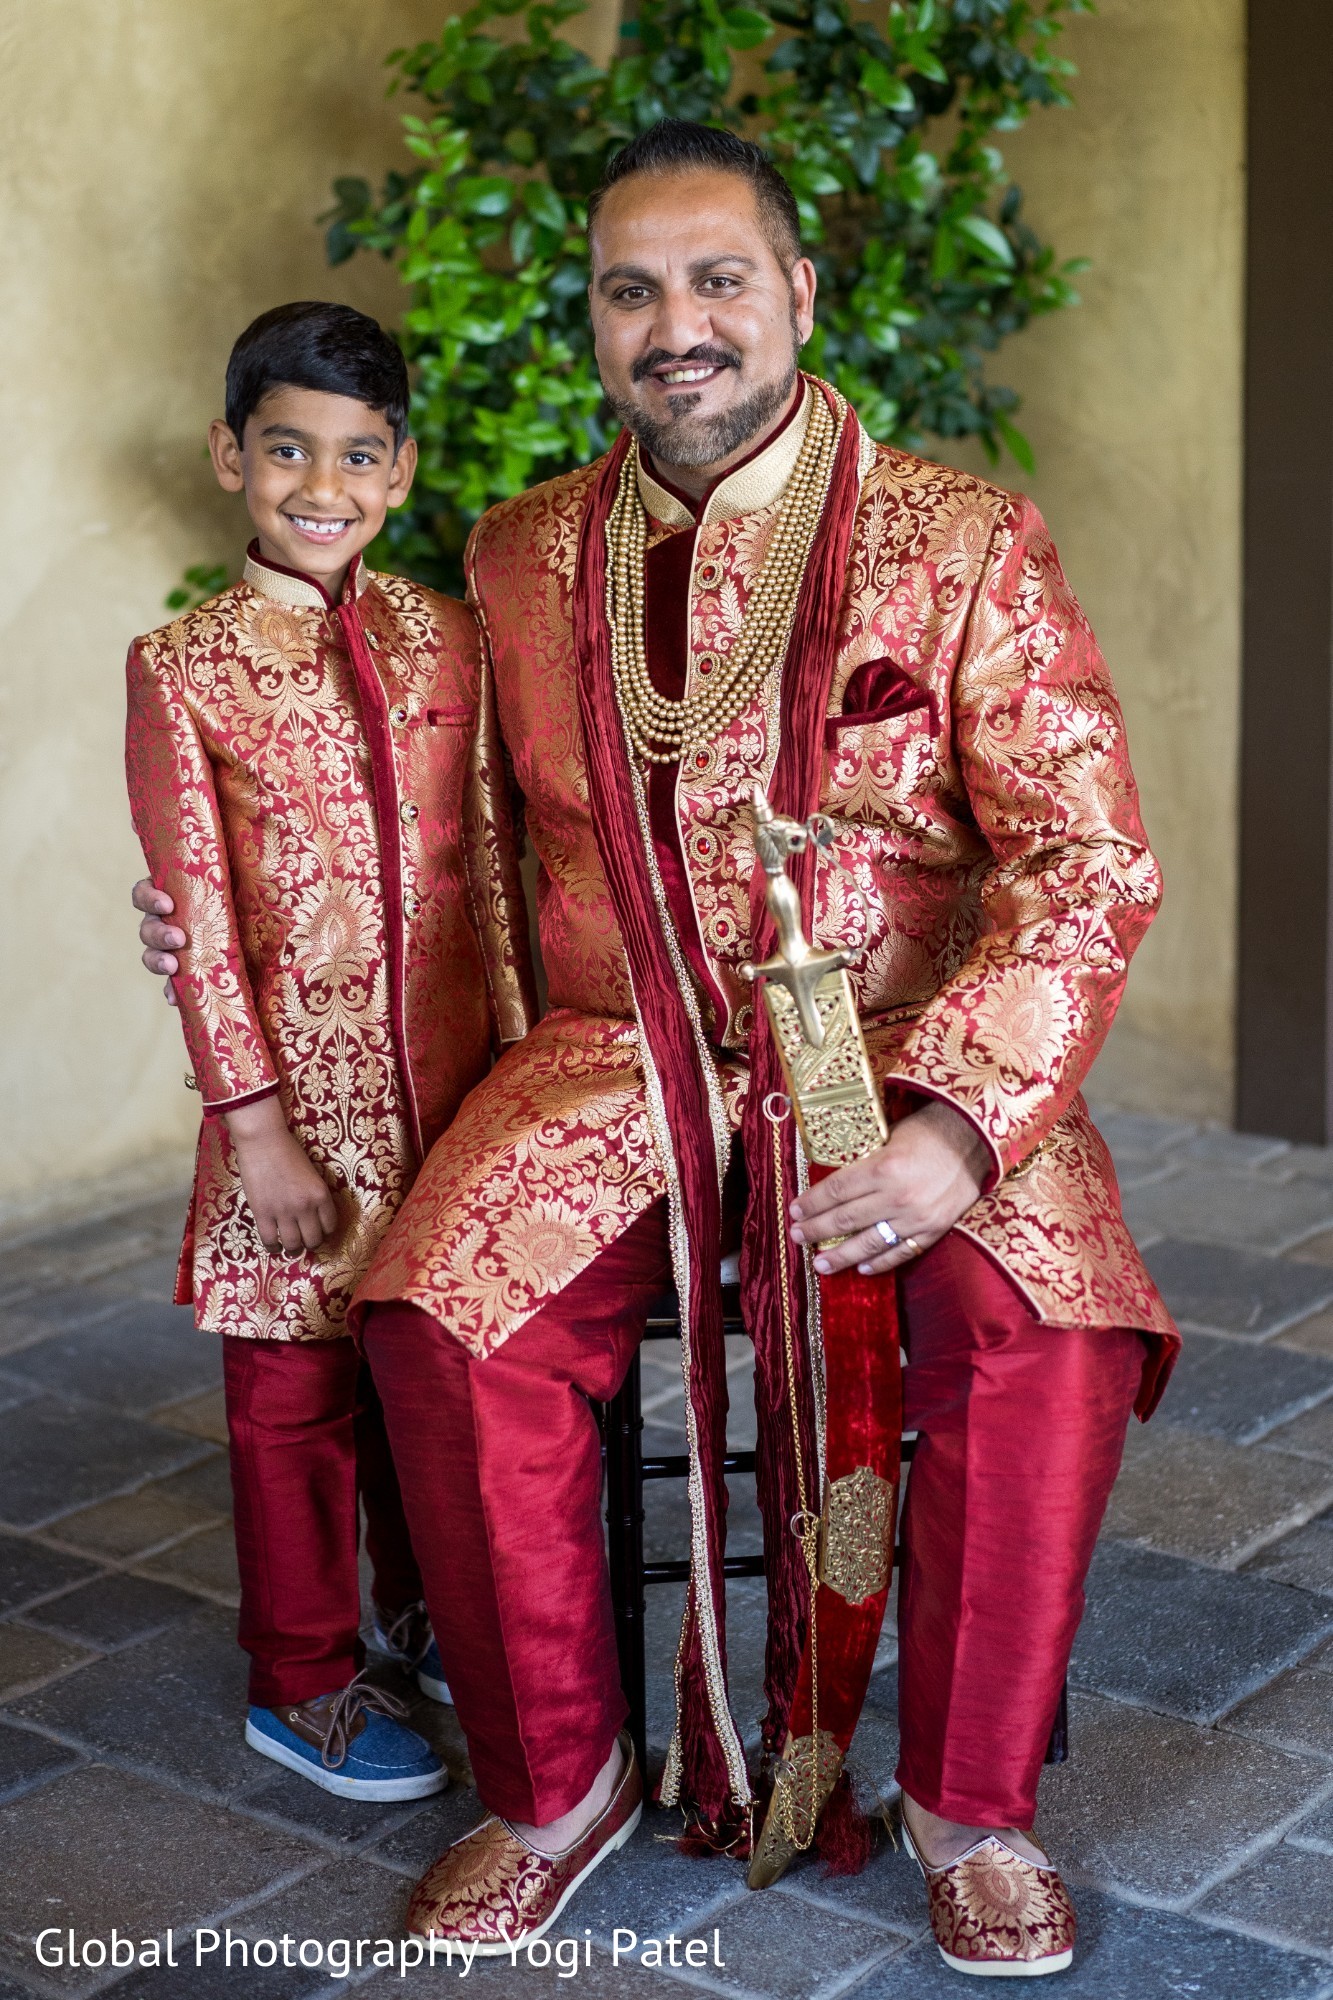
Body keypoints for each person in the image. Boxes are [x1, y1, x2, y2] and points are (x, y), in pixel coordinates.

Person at [137, 125, 1179, 1976]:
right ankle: (556, 1785)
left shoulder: (956, 537)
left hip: (897, 1052)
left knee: (1048, 1334)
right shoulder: (518, 554)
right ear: (594, 321)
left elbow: (1085, 856)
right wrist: (225, 915)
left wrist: (958, 1125)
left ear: (795, 292)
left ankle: (962, 1801)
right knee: (441, 1315)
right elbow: (406, 802)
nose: (673, 324)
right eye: (632, 290)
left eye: (715, 281)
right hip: (613, 1057)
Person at [125, 301, 533, 1801]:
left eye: (360, 455)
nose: (323, 485)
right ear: (233, 455)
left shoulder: (453, 638)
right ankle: (299, 1676)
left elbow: (502, 855)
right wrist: (254, 1131)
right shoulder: (184, 668)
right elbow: (203, 922)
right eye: (289, 448)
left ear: (403, 467)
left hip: (466, 1095)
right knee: (290, 1398)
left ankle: (421, 1615)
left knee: (426, 1368)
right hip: (294, 1117)